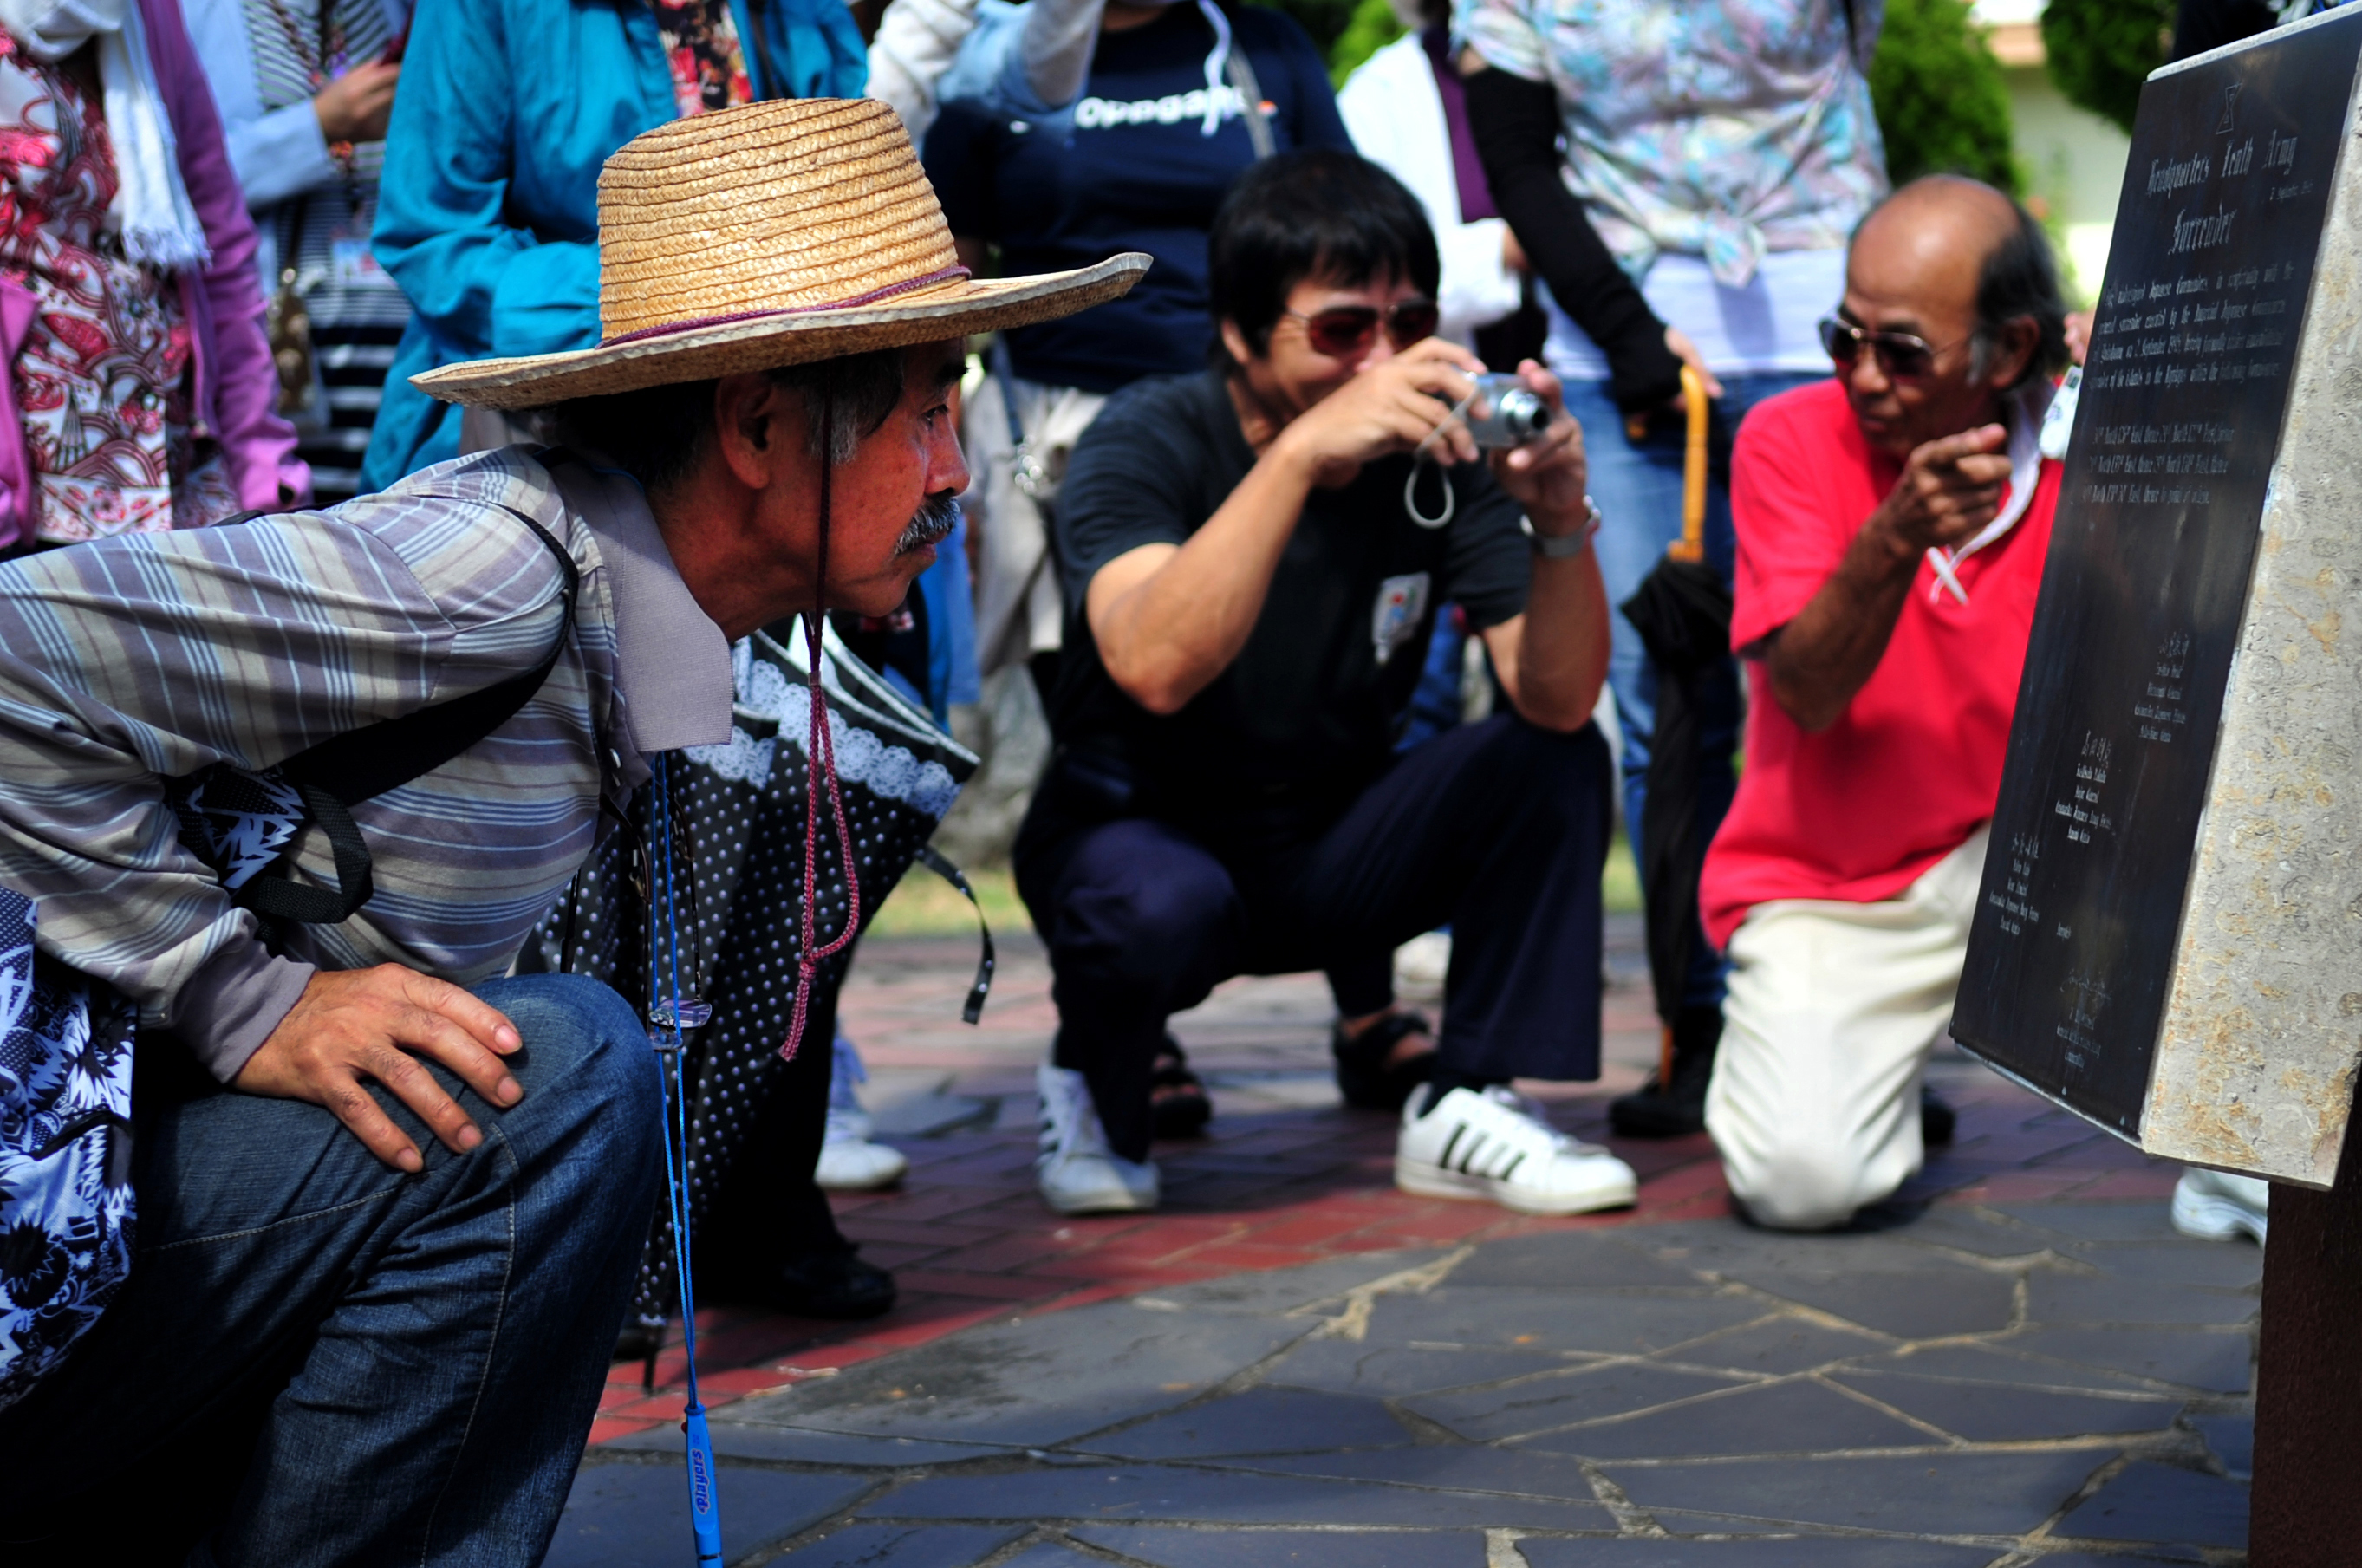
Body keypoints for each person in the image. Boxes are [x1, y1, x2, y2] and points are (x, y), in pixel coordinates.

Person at [0, 97, 1144, 1558]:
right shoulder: (487, 570)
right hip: (42, 1253)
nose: (953, 470)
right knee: (568, 1076)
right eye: (926, 408)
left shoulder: (636, 632)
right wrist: (249, 1000)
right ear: (757, 422)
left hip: (111, 1246)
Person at [362, 0, 906, 1325]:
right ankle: (559, 1228)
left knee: (796, 814)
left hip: (778, 454)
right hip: (555, 450)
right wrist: (676, 301)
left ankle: (762, 1183)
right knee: (574, 865)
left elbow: (860, 205)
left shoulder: (797, 17)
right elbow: (432, 240)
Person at [1015, 147, 1630, 1219]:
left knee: (1554, 759)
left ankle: (1463, 1098)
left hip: (1329, 844)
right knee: (1153, 908)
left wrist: (1557, 521)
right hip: (1145, 834)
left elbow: (1556, 699)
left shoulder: (1443, 458)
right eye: (1344, 330)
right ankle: (1089, 1075)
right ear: (1241, 334)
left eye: (1411, 324)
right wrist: (1299, 458)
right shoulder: (1146, 435)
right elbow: (1152, 666)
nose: (1385, 361)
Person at [924, 0, 1357, 1130]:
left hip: (1257, 427)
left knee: (1317, 687)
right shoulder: (993, 61)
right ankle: (1128, 1016)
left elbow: (1347, 230)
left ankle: (1363, 997)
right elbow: (946, 267)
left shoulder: (1263, 46)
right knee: (1111, 728)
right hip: (1062, 432)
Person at [1460, 0, 1888, 1137]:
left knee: (1843, 691)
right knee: (1666, 708)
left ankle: (1859, 1029)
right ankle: (1703, 1024)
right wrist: (1636, 339)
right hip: (1633, 371)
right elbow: (1517, 163)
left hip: (1835, 348)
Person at [1698, 175, 2066, 1231]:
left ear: (2007, 351)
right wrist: (1895, 535)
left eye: (1901, 351)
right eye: (1842, 335)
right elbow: (1806, 694)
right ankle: (1864, 1075)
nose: (1862, 375)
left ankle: (2249, 1174)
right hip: (1831, 887)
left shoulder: (2091, 438)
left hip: (2034, 865)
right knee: (1800, 1189)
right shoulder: (1785, 437)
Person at [0, 0, 307, 551]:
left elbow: (219, 244)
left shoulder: (145, 12)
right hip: (31, 497)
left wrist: (261, 461)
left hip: (173, 473)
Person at [186, 0, 412, 504]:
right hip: (284, 353)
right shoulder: (196, 12)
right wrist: (315, 128)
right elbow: (178, 189)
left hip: (397, 353)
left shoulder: (401, 12)